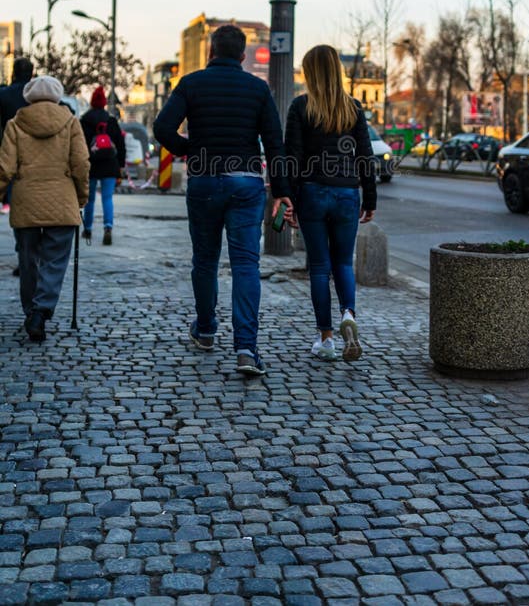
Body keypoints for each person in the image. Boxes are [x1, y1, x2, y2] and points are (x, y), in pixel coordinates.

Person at [154, 24, 292, 377]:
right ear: (244, 56)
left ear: (210, 52)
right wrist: (281, 191)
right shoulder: (258, 88)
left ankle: (205, 329)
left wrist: (192, 152)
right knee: (246, 264)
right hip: (246, 183)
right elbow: (275, 145)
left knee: (205, 260)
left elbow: (162, 128)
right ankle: (246, 348)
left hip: (203, 182)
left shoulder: (191, 83)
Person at [284, 44, 377, 362]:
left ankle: (326, 339)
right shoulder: (353, 108)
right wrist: (370, 198)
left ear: (309, 73)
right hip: (347, 192)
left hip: (312, 192)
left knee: (320, 268)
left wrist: (290, 200)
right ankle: (348, 314)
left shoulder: (300, 107)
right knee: (343, 263)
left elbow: (292, 158)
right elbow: (365, 156)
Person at [0, 75, 89, 342]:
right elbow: (81, 164)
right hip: (61, 201)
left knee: (28, 260)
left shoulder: (15, 125)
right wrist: (81, 197)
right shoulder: (71, 122)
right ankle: (41, 311)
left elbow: (5, 168)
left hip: (26, 201)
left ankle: (31, 311)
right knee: (55, 261)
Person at [80, 86, 126, 246]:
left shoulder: (84, 121)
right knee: (107, 198)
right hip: (110, 165)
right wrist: (121, 165)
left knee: (89, 199)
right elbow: (120, 145)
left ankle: (87, 228)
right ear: (104, 103)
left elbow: (80, 145)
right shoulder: (111, 121)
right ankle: (108, 227)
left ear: (92, 102)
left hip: (90, 165)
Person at [0, 57, 34, 217]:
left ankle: (7, 201)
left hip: (7, 140)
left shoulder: (4, 93)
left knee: (8, 171)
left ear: (14, 72)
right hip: (33, 144)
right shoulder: (35, 94)